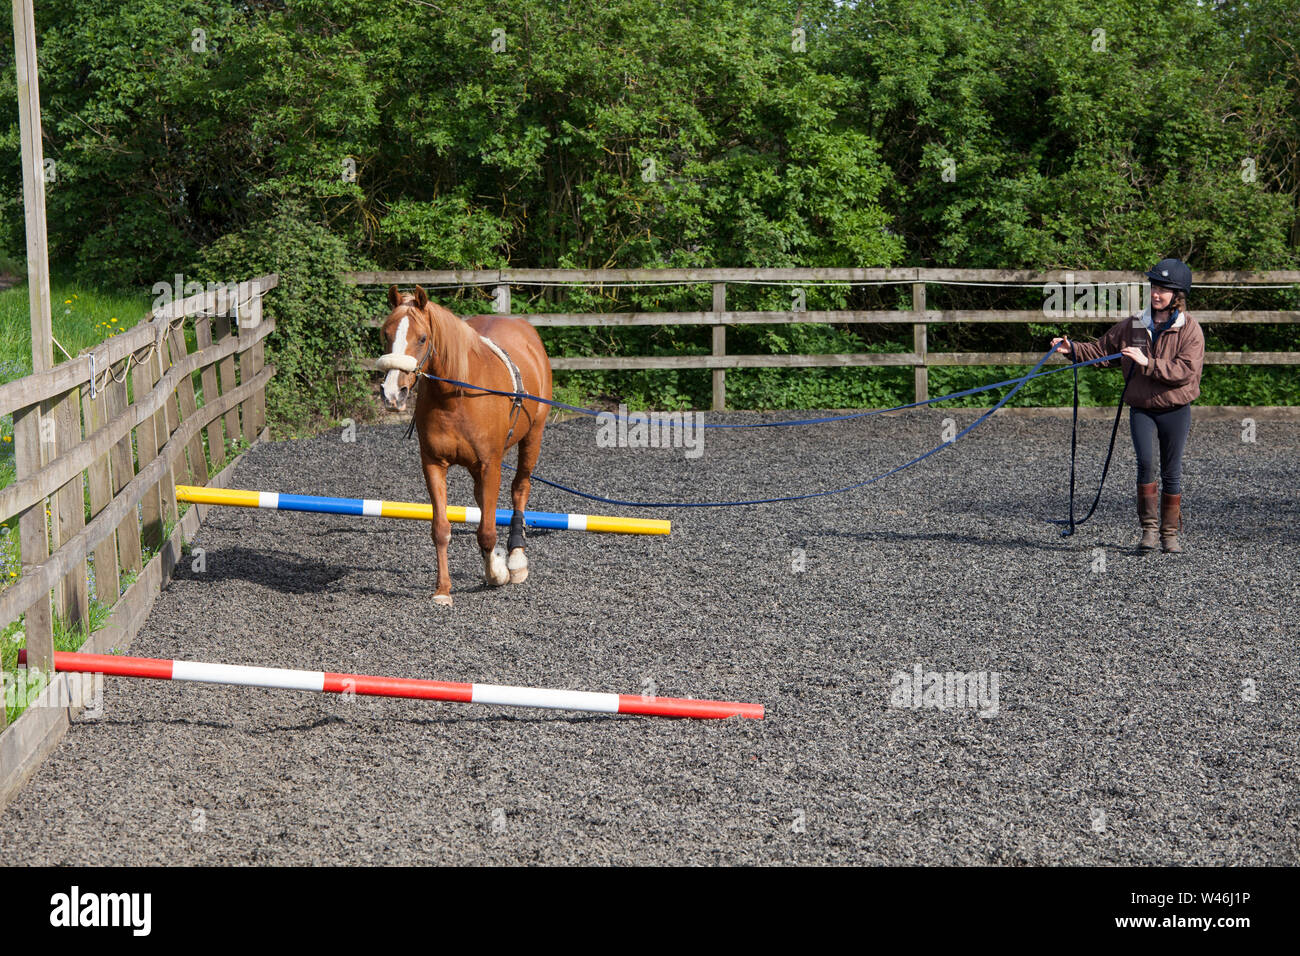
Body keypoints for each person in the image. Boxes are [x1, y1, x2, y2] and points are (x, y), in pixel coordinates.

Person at [1050, 258, 1205, 553]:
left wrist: (1148, 363)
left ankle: (1169, 534)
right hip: (1142, 408)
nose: (1156, 293)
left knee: (1172, 470)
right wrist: (1072, 349)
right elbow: (1102, 350)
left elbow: (1186, 371)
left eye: (1164, 289)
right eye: (1154, 287)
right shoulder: (1135, 324)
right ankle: (1148, 531)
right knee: (1146, 465)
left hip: (1175, 409)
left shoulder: (1190, 330)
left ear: (1178, 295)